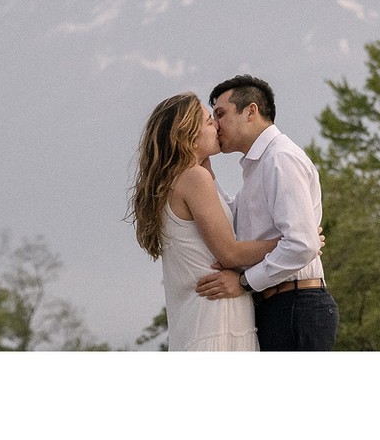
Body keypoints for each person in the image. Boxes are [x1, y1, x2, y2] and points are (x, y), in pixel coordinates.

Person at [195, 74, 339, 352]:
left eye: (221, 114)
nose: (215, 125)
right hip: (280, 306)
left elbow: (301, 244)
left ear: (251, 111)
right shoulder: (258, 167)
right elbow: (234, 219)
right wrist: (204, 165)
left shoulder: (280, 159)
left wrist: (244, 282)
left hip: (295, 306)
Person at [130, 92, 278, 352]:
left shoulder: (178, 181)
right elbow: (230, 253)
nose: (217, 126)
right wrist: (289, 242)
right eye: (209, 122)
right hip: (217, 322)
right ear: (186, 134)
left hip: (196, 322)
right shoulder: (194, 178)